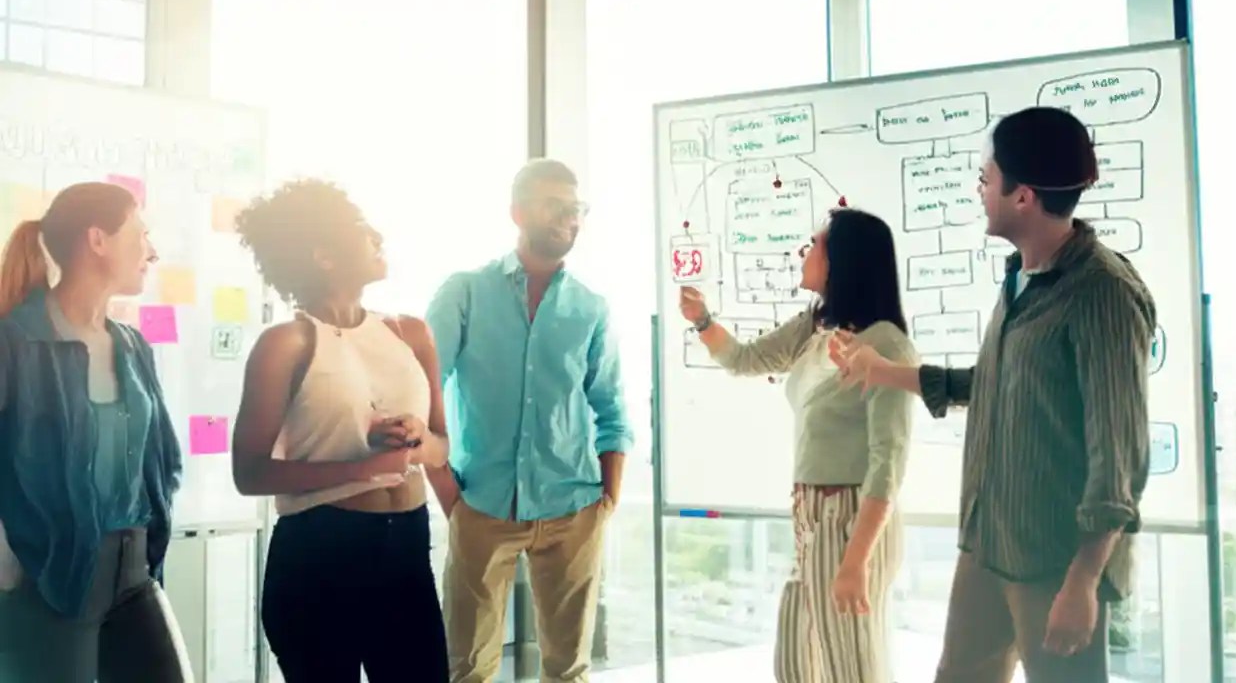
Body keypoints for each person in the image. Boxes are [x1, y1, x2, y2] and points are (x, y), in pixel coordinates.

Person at [830, 107, 1155, 683]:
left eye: (986, 179)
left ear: (1023, 196)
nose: (979, 191)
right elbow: (997, 384)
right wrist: (885, 372)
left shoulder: (1102, 291)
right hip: (987, 544)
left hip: (1055, 560)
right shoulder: (1019, 278)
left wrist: (1083, 579)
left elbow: (1119, 450)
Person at [680, 207, 916, 683]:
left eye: (815, 244)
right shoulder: (814, 328)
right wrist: (702, 320)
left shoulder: (887, 346)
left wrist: (856, 560)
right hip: (811, 518)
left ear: (842, 260)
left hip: (852, 519)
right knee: (795, 665)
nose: (803, 252)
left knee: (851, 670)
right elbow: (745, 359)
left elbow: (888, 461)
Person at [230, 179, 451, 682]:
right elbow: (249, 473)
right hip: (319, 557)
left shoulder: (410, 333)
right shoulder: (285, 344)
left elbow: (441, 449)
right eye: (360, 228)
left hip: (407, 551)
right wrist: (362, 468)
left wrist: (419, 438)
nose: (377, 237)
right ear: (324, 256)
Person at [426, 158, 631, 683]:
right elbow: (424, 390)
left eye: (576, 208)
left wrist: (607, 500)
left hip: (574, 507)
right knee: (467, 668)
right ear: (518, 212)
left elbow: (610, 408)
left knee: (569, 671)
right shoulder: (465, 292)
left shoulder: (590, 307)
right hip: (482, 504)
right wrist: (449, 493)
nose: (569, 218)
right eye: (555, 206)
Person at [0, 182, 192, 682]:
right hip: (48, 578)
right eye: (141, 234)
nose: (152, 251)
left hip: (135, 573)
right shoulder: (16, 342)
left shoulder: (132, 345)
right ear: (97, 240)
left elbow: (159, 460)